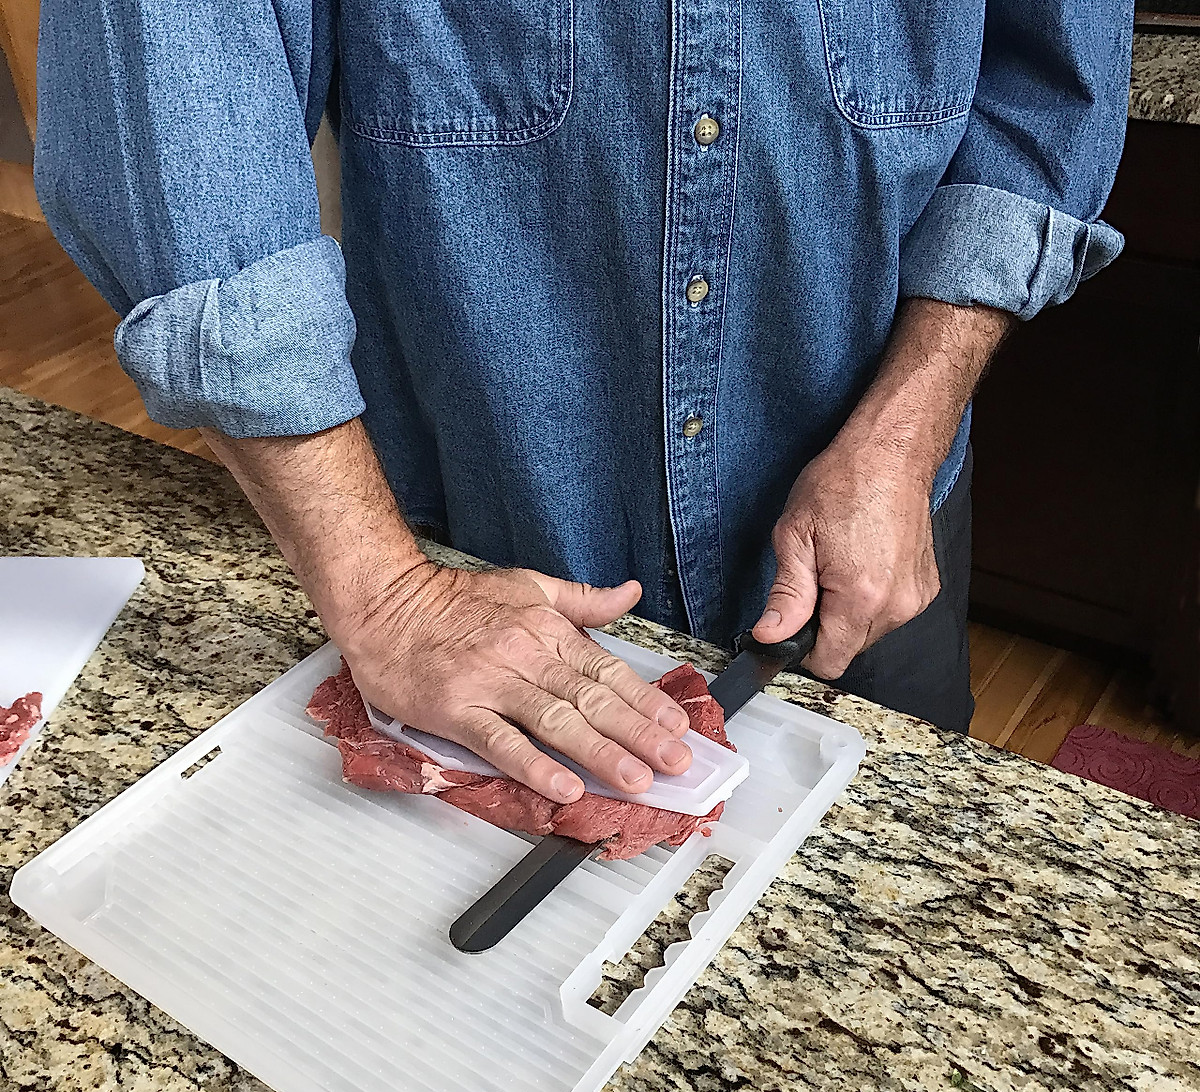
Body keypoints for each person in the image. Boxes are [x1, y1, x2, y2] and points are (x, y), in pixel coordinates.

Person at [34, 2, 1132, 802]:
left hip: (884, 503)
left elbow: (1041, 98)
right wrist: (387, 593)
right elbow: (177, 132)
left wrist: (905, 433)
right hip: (469, 537)